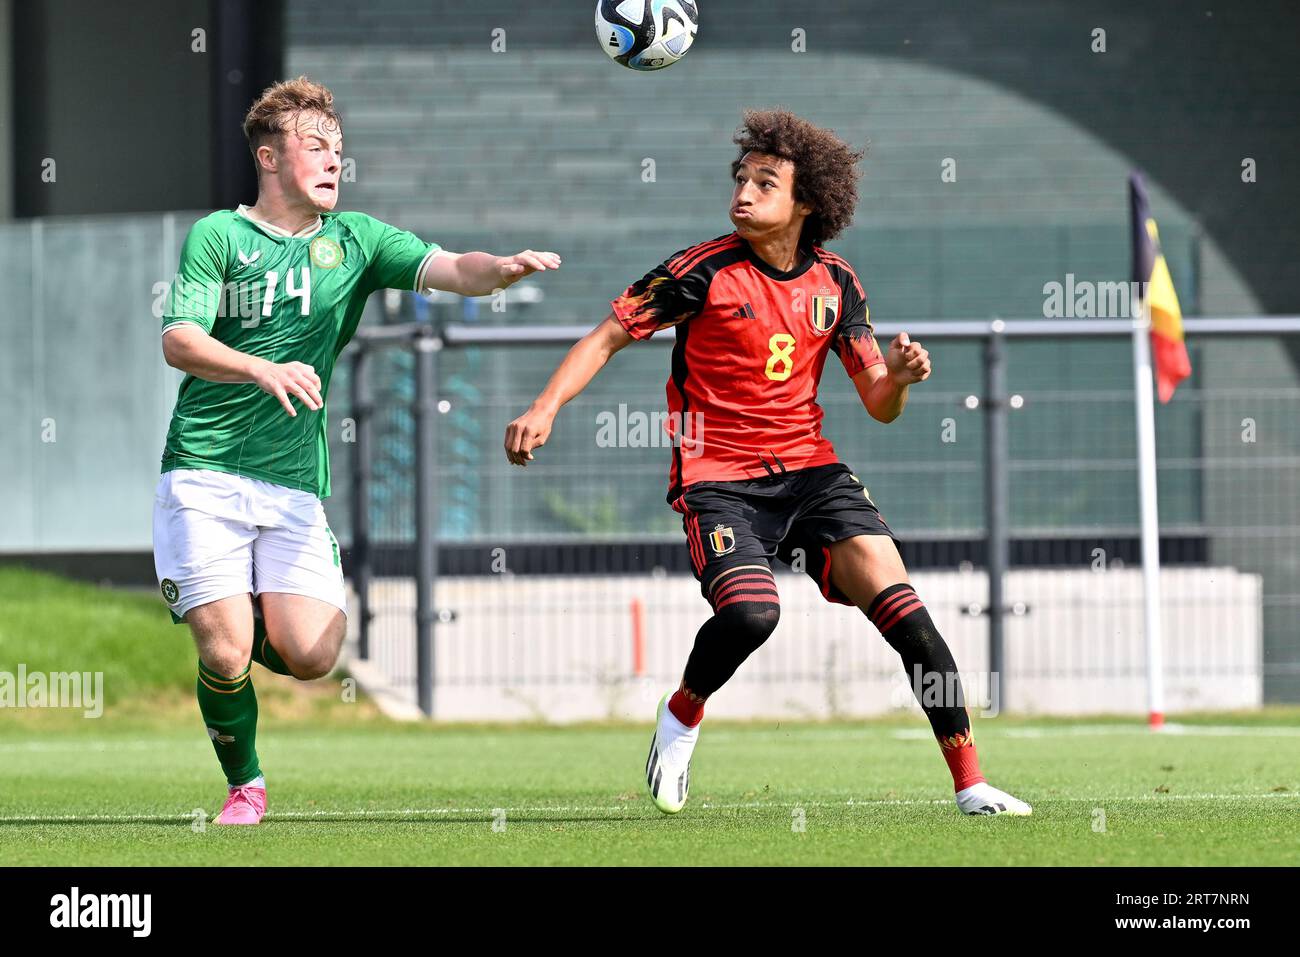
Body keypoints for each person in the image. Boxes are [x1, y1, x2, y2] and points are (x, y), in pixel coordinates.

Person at [504, 108, 1029, 817]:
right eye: (741, 179)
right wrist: (545, 407)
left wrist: (899, 378)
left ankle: (971, 783)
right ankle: (682, 715)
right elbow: (606, 336)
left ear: (806, 201)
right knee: (752, 614)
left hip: (812, 474)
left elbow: (876, 399)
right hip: (718, 480)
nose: (743, 193)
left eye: (764, 182)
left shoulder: (837, 282)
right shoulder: (701, 271)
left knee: (909, 614)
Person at [155, 76, 560, 825]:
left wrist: (497, 271)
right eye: (316, 147)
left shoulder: (359, 240)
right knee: (222, 656)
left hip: (292, 483)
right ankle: (245, 783)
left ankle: (245, 621)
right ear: (269, 158)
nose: (335, 161)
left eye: (340, 150)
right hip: (204, 472)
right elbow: (179, 338)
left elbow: (453, 268)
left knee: (313, 655)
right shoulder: (220, 235)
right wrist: (258, 366)